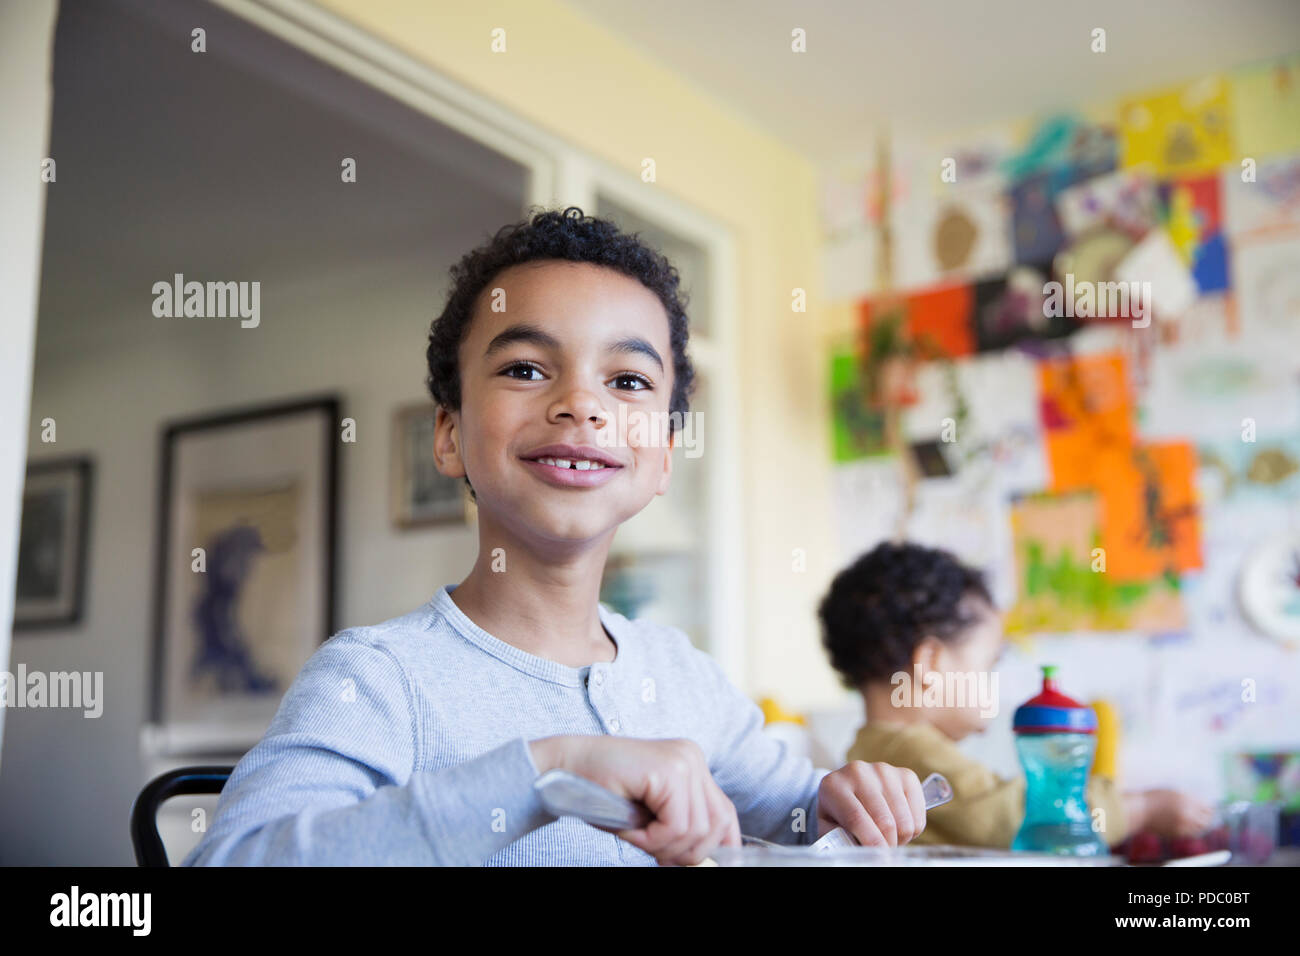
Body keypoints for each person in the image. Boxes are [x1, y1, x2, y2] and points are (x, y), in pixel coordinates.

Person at [184, 206, 927, 867]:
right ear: (448, 435)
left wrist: (841, 799)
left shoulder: (681, 677)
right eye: (527, 368)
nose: (580, 404)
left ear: (664, 454)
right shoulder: (377, 680)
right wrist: (548, 770)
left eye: (628, 381)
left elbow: (796, 815)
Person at [818, 540, 1214, 849]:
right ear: (931, 663)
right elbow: (1021, 821)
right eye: (989, 665)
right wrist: (1143, 809)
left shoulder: (877, 749)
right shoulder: (906, 752)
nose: (993, 684)